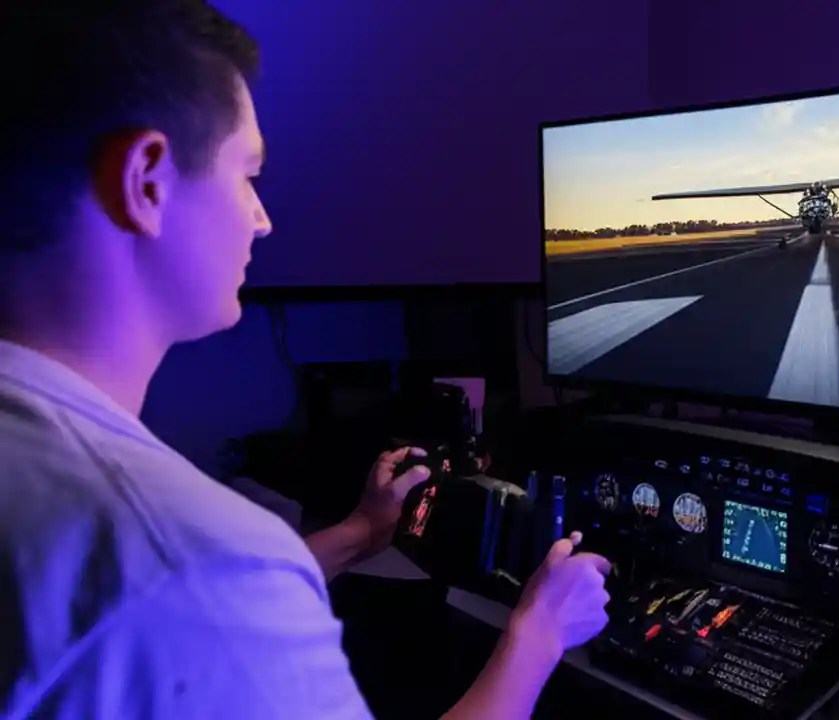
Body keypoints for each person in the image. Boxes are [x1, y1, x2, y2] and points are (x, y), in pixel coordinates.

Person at [0, 2, 611, 718]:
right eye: (247, 174)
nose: (262, 218)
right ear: (148, 181)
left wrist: (356, 535)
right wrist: (540, 632)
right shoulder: (197, 557)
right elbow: (196, 586)